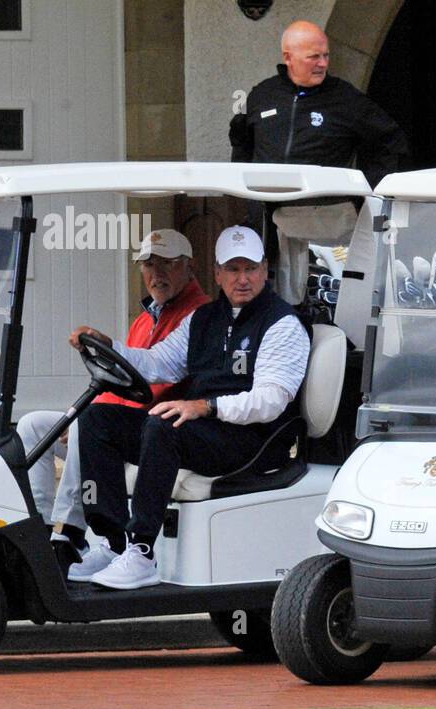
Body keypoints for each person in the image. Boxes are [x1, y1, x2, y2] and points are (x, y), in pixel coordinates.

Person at [70, 226, 310, 589]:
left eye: (250, 268)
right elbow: (156, 363)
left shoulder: (281, 324)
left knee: (164, 426)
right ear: (217, 273)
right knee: (98, 419)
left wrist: (206, 406)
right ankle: (112, 540)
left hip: (251, 441)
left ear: (265, 270)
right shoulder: (204, 319)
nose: (241, 279)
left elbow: (271, 401)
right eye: (232, 269)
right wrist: (110, 345)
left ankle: (141, 551)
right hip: (206, 433)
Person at [16, 229, 208, 577]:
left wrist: (87, 420)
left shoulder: (197, 316)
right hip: (123, 419)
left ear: (189, 267)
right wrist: (85, 413)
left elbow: (157, 382)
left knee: (85, 430)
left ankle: (69, 536)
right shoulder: (147, 318)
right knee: (32, 425)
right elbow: (118, 381)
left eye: (167, 264)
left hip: (150, 430)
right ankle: (41, 528)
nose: (156, 274)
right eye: (149, 264)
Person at [229, 20, 408, 189]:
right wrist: (243, 198)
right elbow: (242, 145)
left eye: (326, 55)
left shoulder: (345, 97)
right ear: (288, 57)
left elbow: (389, 140)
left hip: (324, 211)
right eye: (314, 57)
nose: (322, 64)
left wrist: (369, 191)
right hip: (263, 211)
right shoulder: (262, 94)